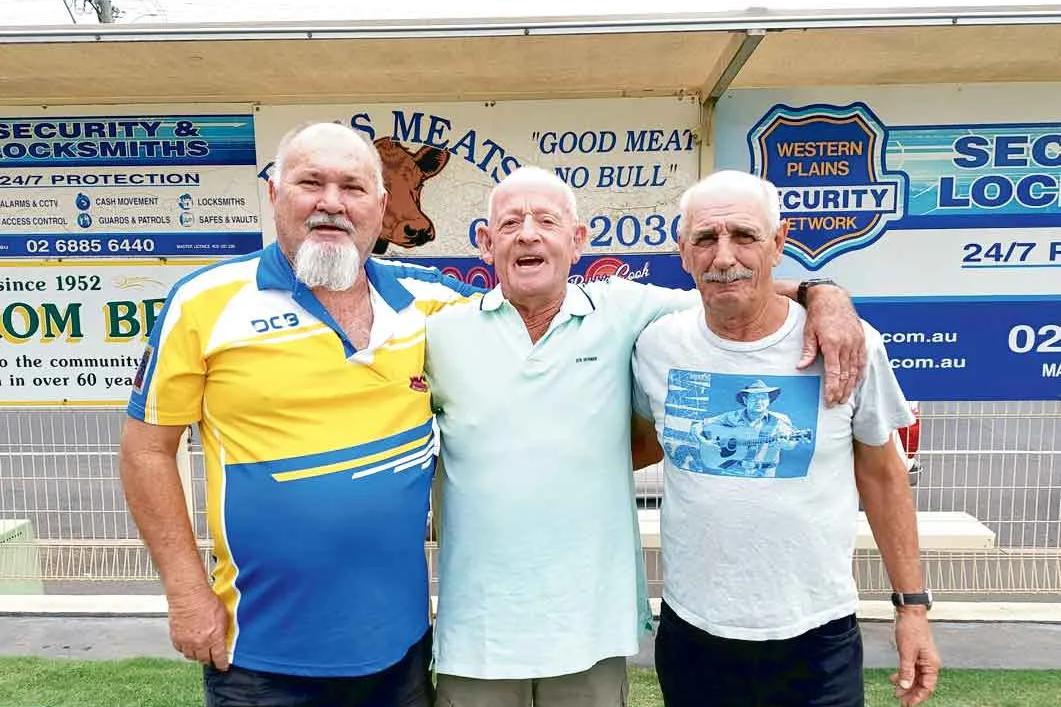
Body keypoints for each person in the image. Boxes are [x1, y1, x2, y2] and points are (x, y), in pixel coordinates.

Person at [424, 166, 867, 707]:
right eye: (510, 222)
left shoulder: (626, 312)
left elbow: (731, 285)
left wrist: (823, 292)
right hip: (477, 631)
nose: (528, 234)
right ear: (486, 243)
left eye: (547, 220)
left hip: (590, 630)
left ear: (578, 241)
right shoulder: (439, 331)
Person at [118, 122, 480, 706]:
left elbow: (534, 317)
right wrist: (186, 592)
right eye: (311, 182)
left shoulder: (436, 302)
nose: (331, 203)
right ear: (275, 194)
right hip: (259, 658)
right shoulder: (205, 303)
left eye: (354, 188)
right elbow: (145, 450)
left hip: (401, 651)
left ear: (383, 206)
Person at [632, 170, 940, 707]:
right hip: (694, 630)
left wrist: (912, 607)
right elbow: (645, 442)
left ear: (779, 242)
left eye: (745, 236)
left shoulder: (849, 343)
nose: (724, 255)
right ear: (683, 252)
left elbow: (883, 476)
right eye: (705, 238)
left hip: (816, 633)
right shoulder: (656, 344)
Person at [690, 379, 810, 477]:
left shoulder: (780, 420)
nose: (759, 401)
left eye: (763, 397)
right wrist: (704, 442)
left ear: (768, 400)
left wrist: (785, 443)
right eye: (754, 398)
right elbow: (697, 426)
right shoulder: (731, 416)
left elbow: (789, 445)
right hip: (731, 470)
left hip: (764, 474)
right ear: (745, 400)